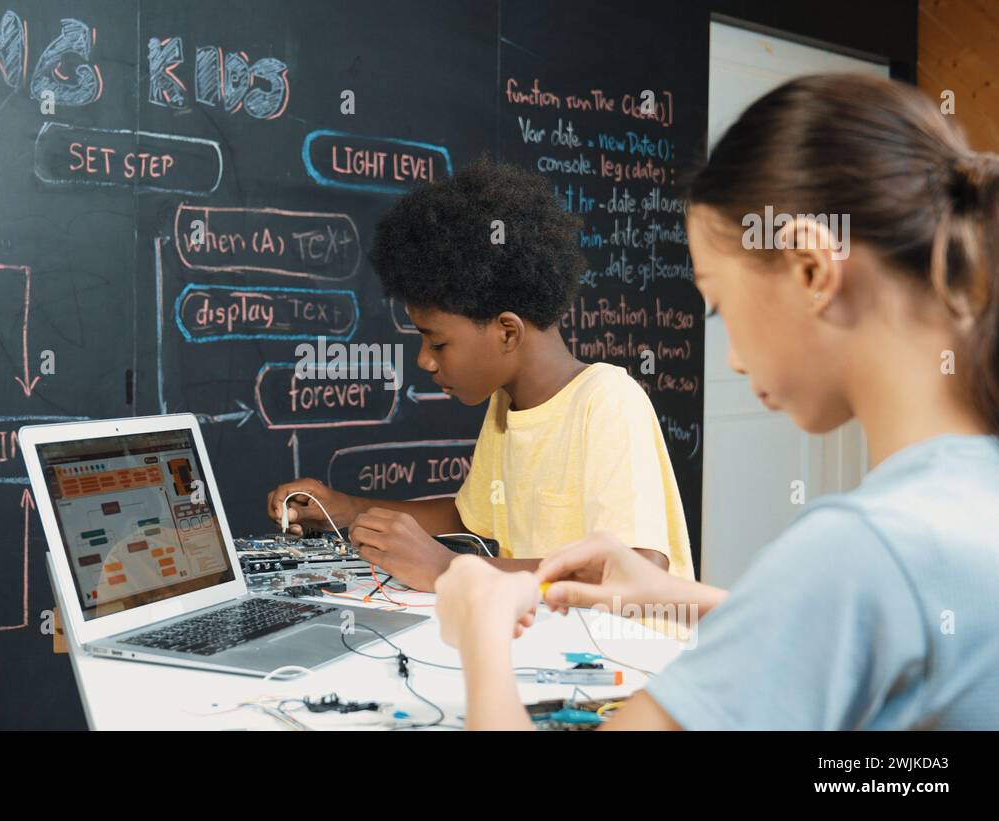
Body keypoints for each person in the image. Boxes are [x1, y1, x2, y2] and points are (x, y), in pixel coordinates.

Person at [435, 74, 999, 730]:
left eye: (719, 303)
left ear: (813, 270)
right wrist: (681, 600)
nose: (730, 355)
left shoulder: (860, 546)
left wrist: (479, 624)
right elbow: (861, 624)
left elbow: (853, 587)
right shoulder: (955, 502)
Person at [266, 159, 693, 592]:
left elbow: (635, 570)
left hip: (628, 656)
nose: (424, 362)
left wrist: (449, 569)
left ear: (507, 331)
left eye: (437, 343)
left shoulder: (607, 401)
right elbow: (469, 516)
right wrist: (348, 509)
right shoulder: (506, 406)